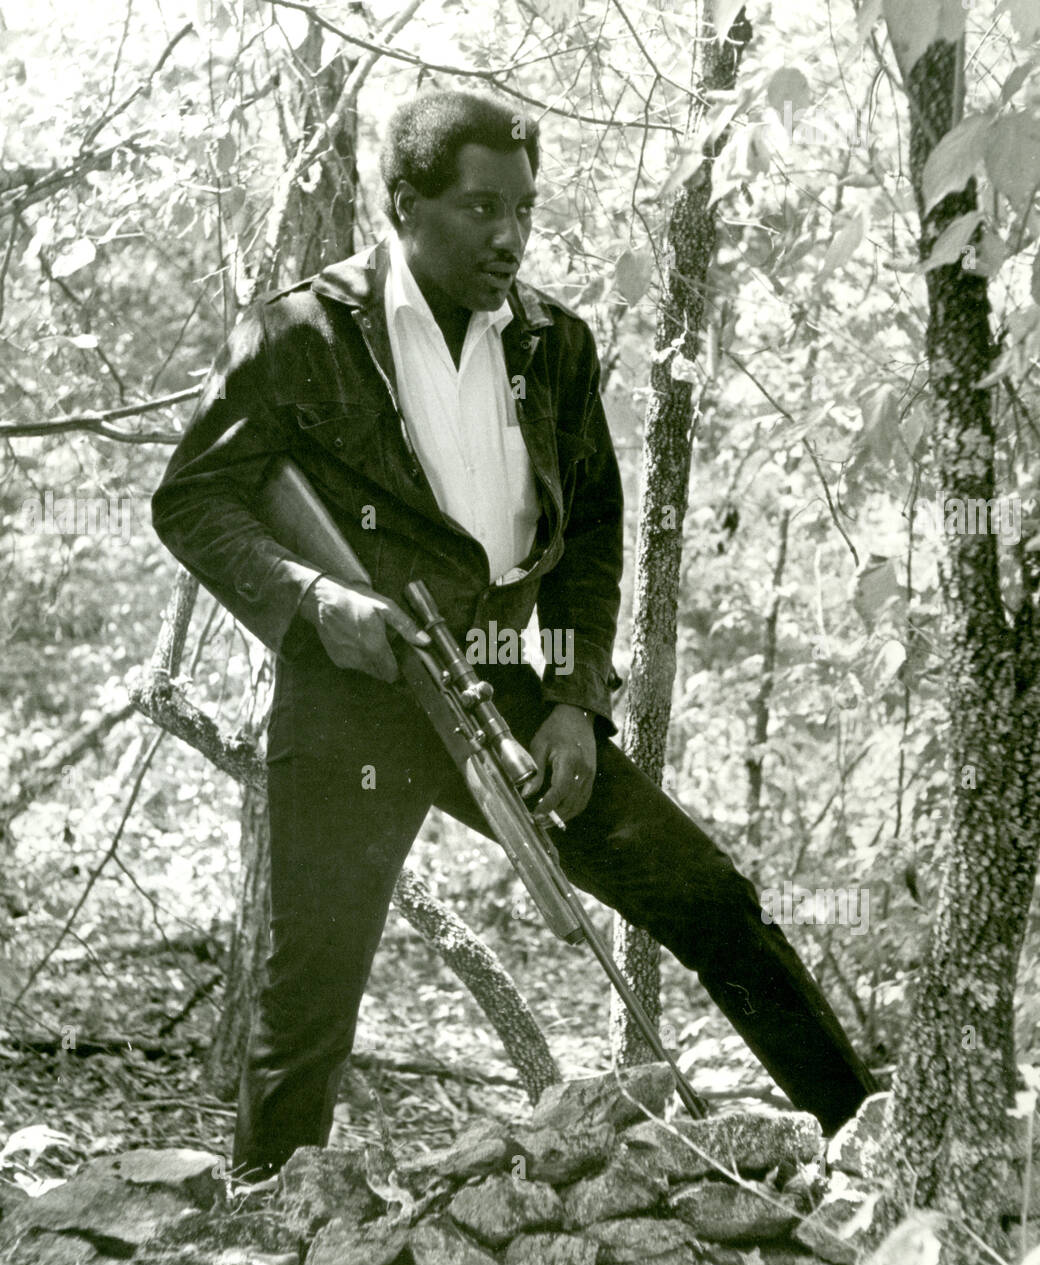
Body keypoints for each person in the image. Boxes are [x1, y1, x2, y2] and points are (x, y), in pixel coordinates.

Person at [152, 89, 878, 1180]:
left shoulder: (554, 342)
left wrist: (579, 701)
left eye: (524, 210)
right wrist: (311, 605)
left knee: (710, 899)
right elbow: (193, 500)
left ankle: (879, 1150)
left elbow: (589, 532)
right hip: (351, 696)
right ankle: (264, 1245)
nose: (510, 236)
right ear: (405, 203)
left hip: (501, 689)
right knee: (306, 1005)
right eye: (481, 207)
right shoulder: (297, 333)